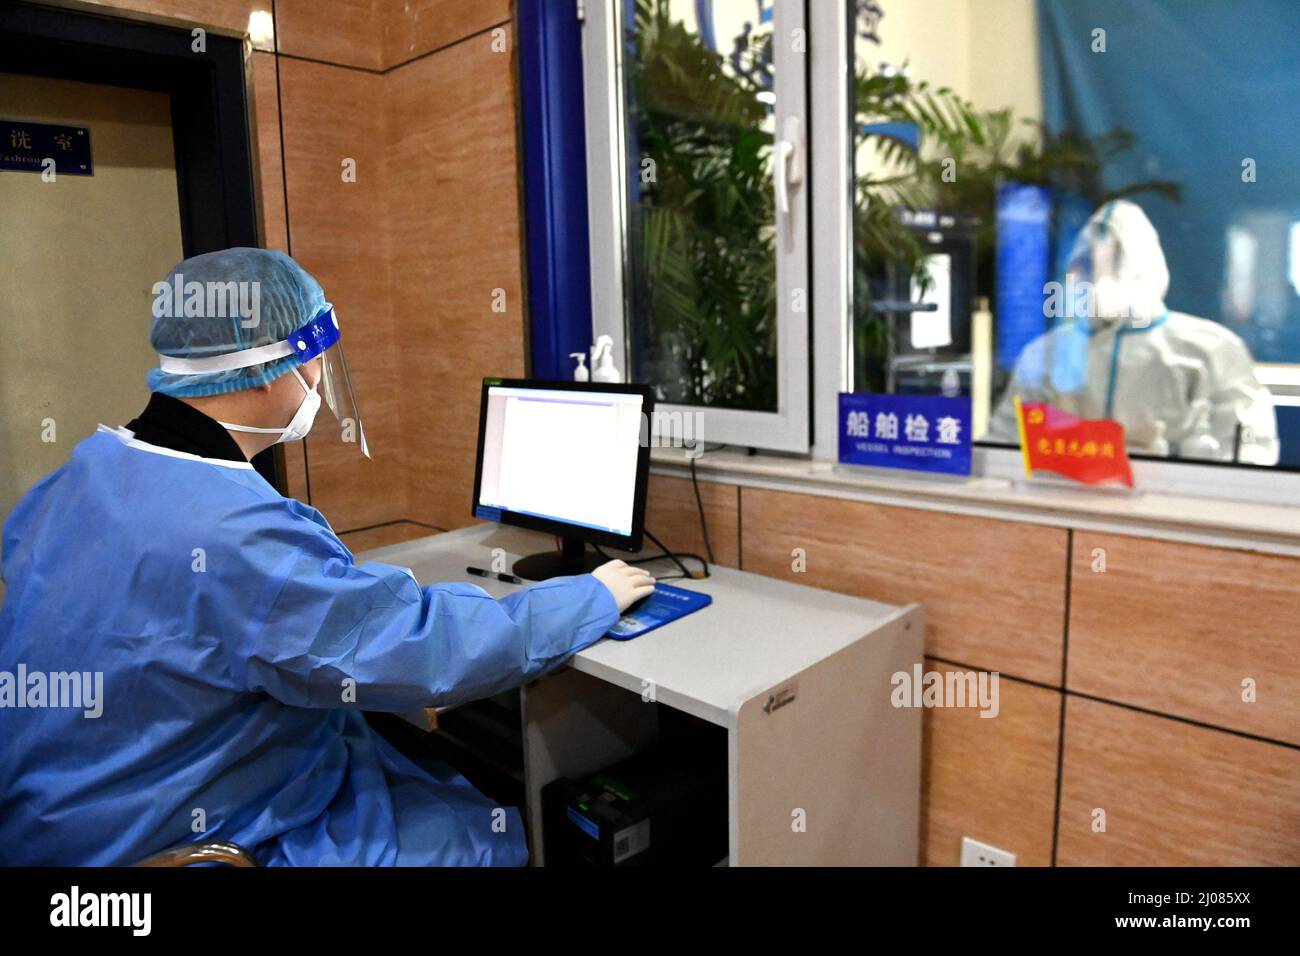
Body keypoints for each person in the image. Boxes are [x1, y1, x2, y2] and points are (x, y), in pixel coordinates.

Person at [0, 248, 655, 866]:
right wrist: (589, 596)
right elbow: (431, 648)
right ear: (267, 370)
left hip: (53, 827)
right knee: (486, 832)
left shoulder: (78, 479)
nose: (317, 381)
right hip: (184, 839)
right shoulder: (236, 533)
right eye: (313, 360)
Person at [988, 200, 1279, 465]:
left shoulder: (1211, 351)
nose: (1098, 277)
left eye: (1116, 262)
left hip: (1173, 510)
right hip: (1064, 506)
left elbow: (1250, 453)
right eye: (1086, 264)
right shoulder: (1045, 355)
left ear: (1146, 264)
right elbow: (1004, 446)